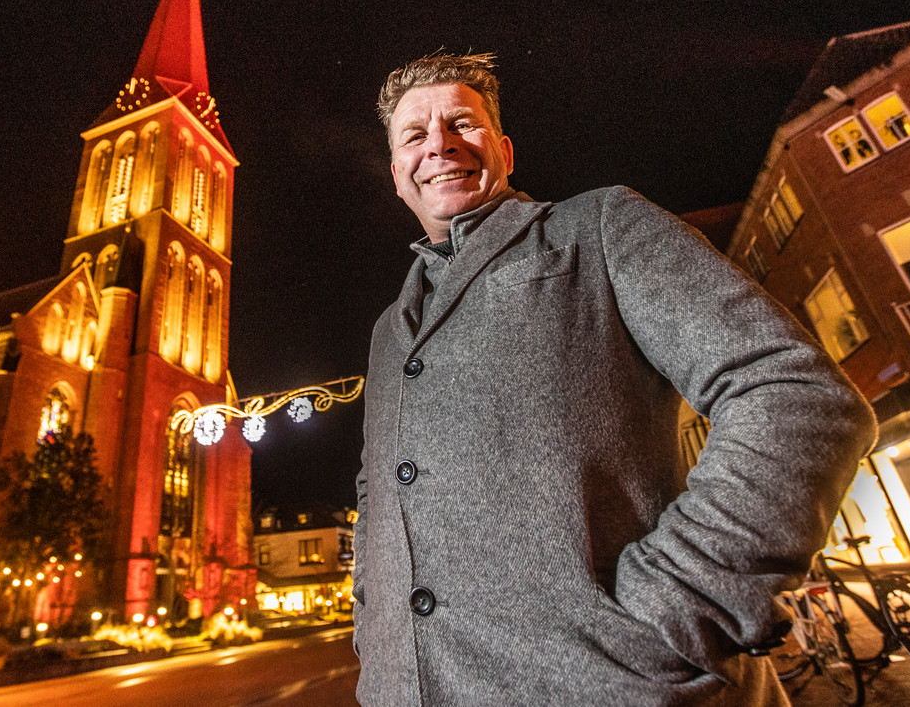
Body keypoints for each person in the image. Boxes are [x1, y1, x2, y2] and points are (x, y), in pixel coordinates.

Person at [352, 52, 877, 706]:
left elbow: (793, 393)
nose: (439, 144)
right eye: (414, 135)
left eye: (462, 123)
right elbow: (376, 493)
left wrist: (677, 608)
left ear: (505, 151)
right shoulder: (388, 330)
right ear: (397, 175)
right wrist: (375, 640)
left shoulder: (599, 227)